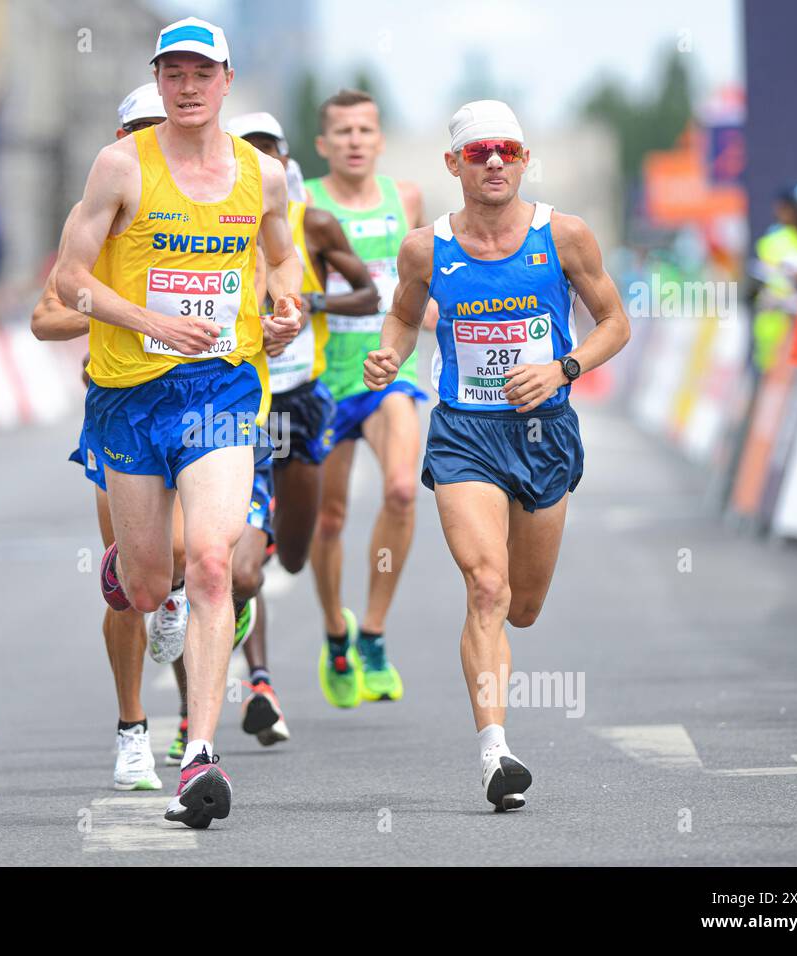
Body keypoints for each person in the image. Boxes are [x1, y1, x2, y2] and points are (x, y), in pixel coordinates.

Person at [54, 17, 302, 829]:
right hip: (129, 393)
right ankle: (137, 583)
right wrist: (148, 319)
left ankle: (198, 752)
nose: (188, 87)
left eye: (202, 73)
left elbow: (281, 253)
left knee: (210, 563)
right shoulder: (121, 164)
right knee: (149, 583)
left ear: (227, 81)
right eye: (173, 73)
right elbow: (68, 282)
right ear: (159, 82)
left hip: (222, 390)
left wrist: (287, 305)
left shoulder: (262, 176)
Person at [364, 100, 630, 811]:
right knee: (487, 587)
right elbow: (400, 309)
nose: (493, 162)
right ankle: (495, 752)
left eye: (506, 151)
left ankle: (498, 718)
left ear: (523, 159)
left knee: (525, 607)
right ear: (453, 163)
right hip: (465, 436)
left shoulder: (565, 237)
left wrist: (564, 369)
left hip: (544, 435)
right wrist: (389, 353)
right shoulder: (425, 248)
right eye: (478, 151)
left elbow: (615, 323)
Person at [32, 84, 178, 790]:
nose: (150, 140)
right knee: (123, 578)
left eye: (162, 126)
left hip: (200, 402)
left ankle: (180, 595)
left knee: (196, 557)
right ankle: (132, 730)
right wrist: (123, 315)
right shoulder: (93, 207)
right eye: (138, 129)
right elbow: (44, 316)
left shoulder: (210, 202)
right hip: (118, 404)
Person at [226, 110, 379, 744]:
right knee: (246, 558)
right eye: (250, 155)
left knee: (292, 551)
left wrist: (310, 301)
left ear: (287, 163)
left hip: (302, 400)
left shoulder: (311, 222)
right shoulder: (219, 221)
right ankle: (258, 677)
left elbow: (370, 295)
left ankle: (247, 569)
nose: (266, 167)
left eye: (273, 156)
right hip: (241, 402)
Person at [306, 88, 436, 709]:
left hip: (389, 372)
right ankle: (338, 632)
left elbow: (420, 282)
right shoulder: (304, 199)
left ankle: (375, 634)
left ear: (380, 140)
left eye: (365, 130)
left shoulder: (405, 197)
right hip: (323, 381)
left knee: (403, 491)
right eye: (343, 131)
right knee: (326, 520)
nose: (355, 140)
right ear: (323, 144)